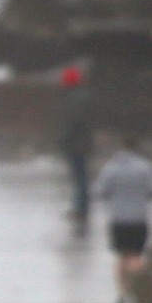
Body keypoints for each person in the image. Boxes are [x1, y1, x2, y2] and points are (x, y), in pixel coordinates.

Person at [91, 138, 152, 303]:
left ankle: (122, 292)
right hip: (139, 218)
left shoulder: (111, 168)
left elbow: (99, 191)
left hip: (118, 219)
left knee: (121, 257)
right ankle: (137, 290)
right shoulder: (145, 167)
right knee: (136, 255)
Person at [55, 64, 95, 229]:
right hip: (82, 142)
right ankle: (80, 207)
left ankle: (81, 208)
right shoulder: (82, 96)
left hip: (76, 144)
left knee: (79, 177)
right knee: (80, 176)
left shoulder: (74, 99)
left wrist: (63, 139)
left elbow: (72, 122)